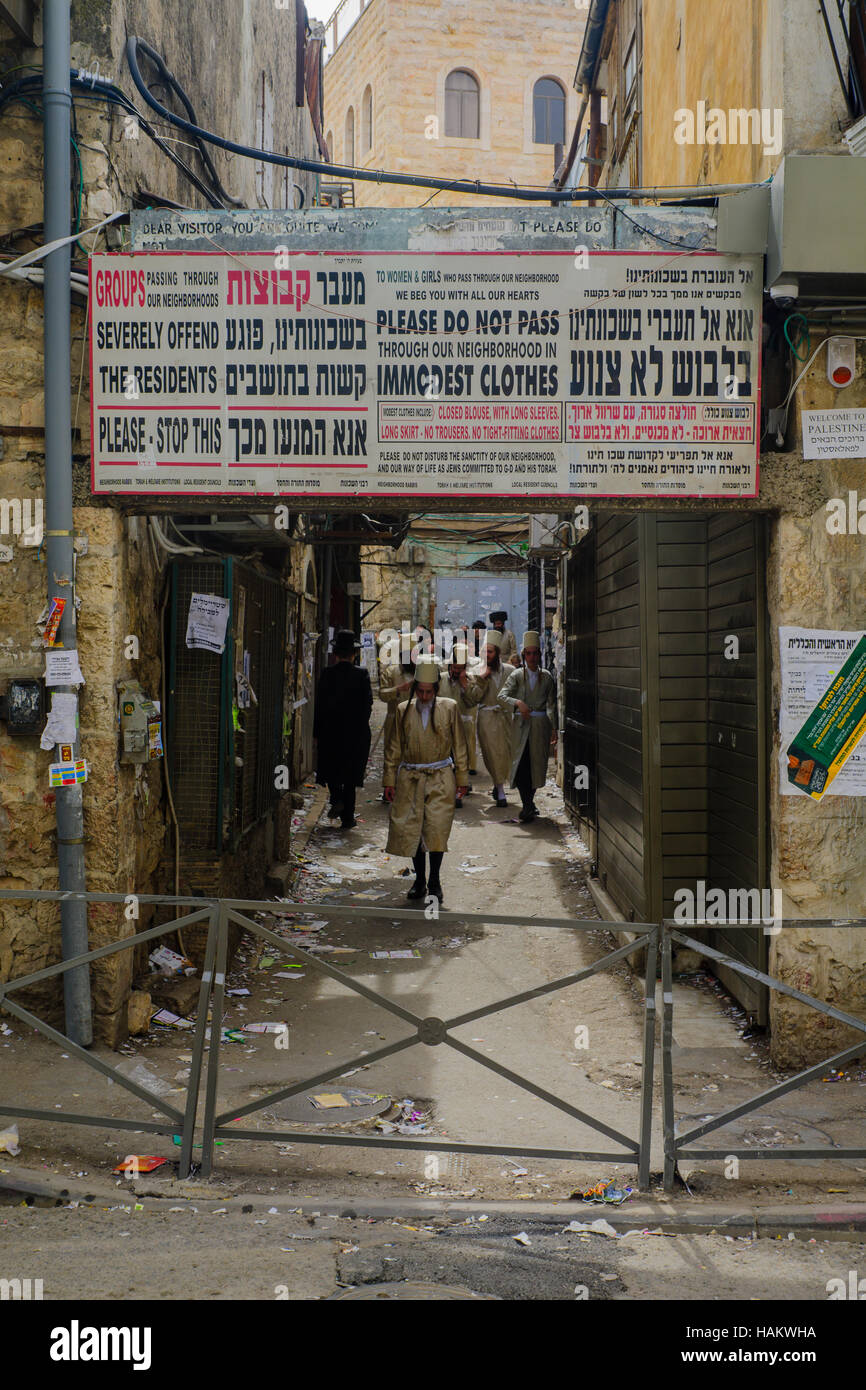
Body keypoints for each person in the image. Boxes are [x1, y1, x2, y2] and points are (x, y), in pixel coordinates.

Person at [383, 659, 470, 904]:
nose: (423, 696)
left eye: (428, 692)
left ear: (436, 690)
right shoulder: (403, 710)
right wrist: (389, 781)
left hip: (441, 776)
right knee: (414, 830)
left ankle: (435, 880)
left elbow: (460, 746)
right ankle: (420, 879)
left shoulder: (450, 708)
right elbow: (394, 747)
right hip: (410, 777)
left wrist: (462, 778)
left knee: (437, 830)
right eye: (419, 691)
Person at [313, 628, 372, 830]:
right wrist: (361, 729)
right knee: (351, 776)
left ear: (336, 654)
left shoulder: (327, 674)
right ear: (354, 654)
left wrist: (317, 733)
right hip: (355, 735)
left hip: (331, 734)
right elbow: (367, 706)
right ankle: (348, 818)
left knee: (332, 771)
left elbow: (319, 706)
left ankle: (336, 799)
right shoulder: (362, 675)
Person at [498, 630, 558, 823]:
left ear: (540, 655)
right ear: (524, 655)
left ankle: (529, 803)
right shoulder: (516, 676)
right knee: (523, 765)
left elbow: (552, 705)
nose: (532, 657)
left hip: (540, 727)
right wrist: (517, 703)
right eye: (529, 653)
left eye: (536, 653)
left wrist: (554, 728)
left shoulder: (547, 677)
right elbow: (502, 696)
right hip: (522, 726)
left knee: (536, 765)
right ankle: (527, 805)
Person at [473, 629, 517, 807]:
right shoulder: (477, 671)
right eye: (485, 652)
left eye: (490, 652)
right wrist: (483, 679)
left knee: (506, 753)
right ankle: (499, 789)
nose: (487, 655)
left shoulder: (510, 671)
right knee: (492, 753)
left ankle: (498, 784)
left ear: (497, 653)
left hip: (507, 718)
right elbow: (473, 697)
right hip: (487, 718)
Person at [441, 643, 483, 805]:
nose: (457, 671)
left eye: (460, 668)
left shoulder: (470, 680)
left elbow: (474, 701)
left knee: (462, 759)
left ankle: (460, 788)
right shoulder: (442, 678)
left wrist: (464, 684)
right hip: (444, 726)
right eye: (455, 668)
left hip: (464, 726)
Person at [377, 641, 415, 800]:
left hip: (417, 718)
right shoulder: (391, 671)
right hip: (395, 719)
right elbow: (382, 694)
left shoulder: (423, 670)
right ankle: (389, 787)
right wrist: (398, 689)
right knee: (392, 753)